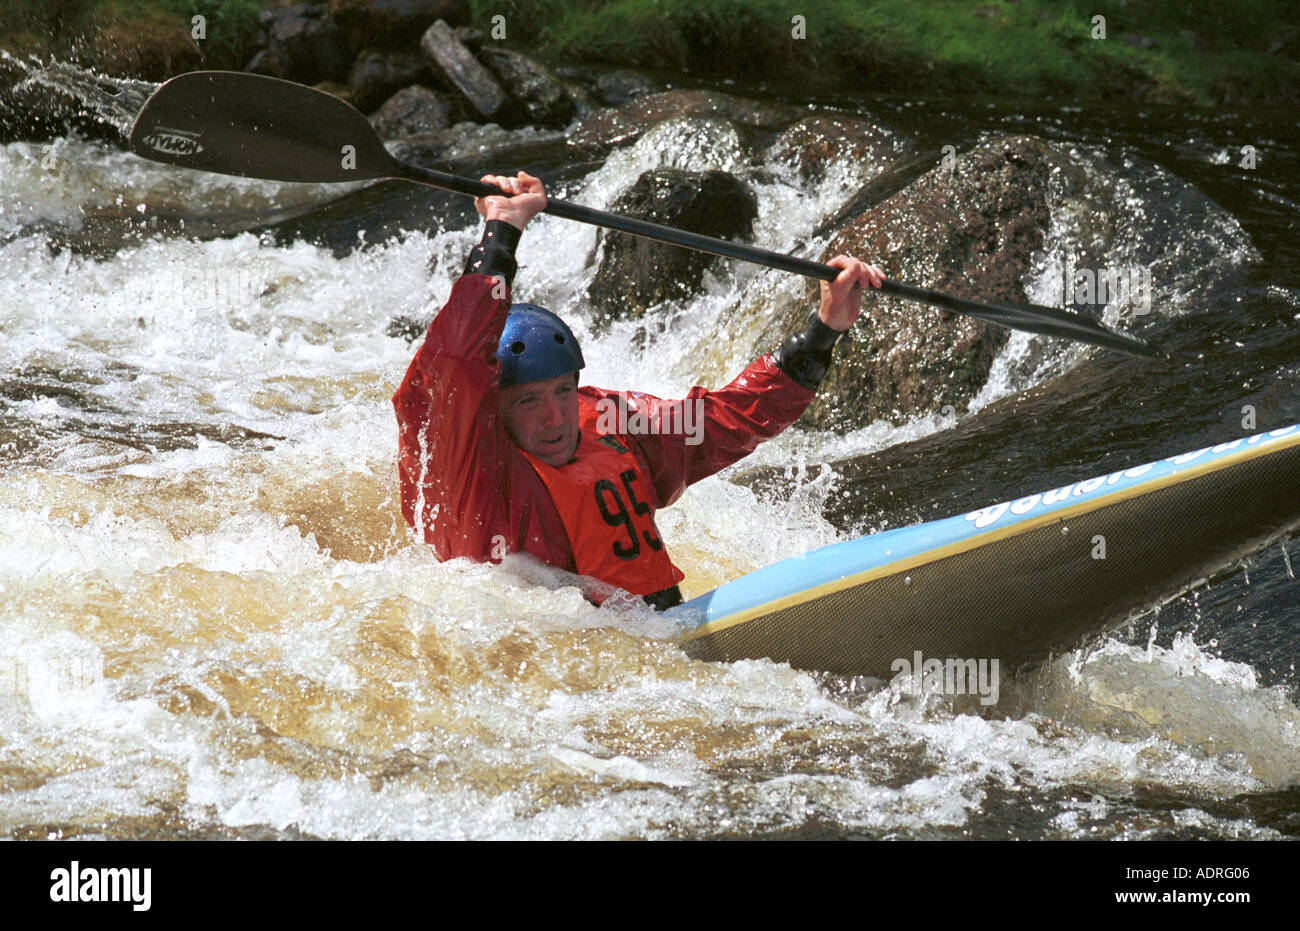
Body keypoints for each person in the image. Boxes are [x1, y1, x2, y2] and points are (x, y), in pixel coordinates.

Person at [393, 171, 883, 609]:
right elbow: (455, 360)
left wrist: (825, 330)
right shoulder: (469, 470)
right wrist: (501, 233)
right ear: (492, 410)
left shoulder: (610, 424)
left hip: (654, 639)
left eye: (563, 391)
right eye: (527, 400)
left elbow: (728, 421)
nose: (554, 417)